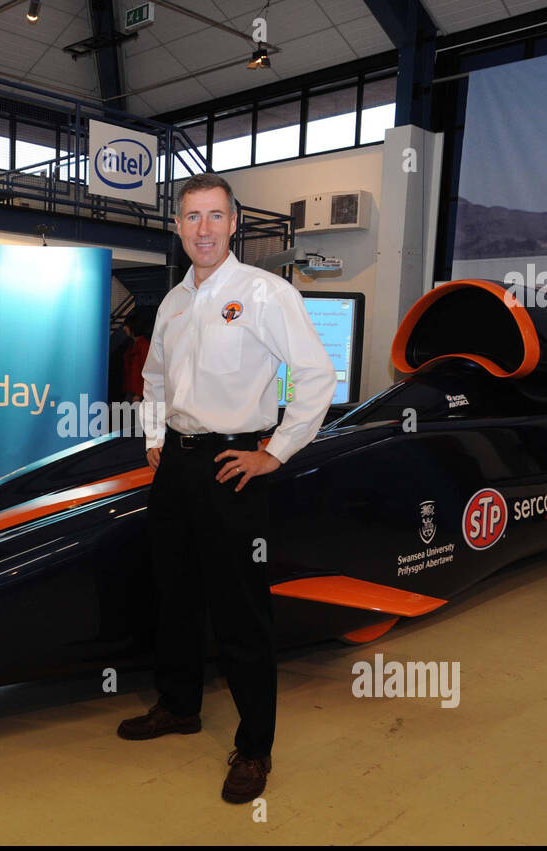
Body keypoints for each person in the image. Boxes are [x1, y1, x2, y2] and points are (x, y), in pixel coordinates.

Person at [117, 172, 336, 804]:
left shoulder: (266, 294)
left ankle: (255, 747)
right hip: (178, 468)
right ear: (179, 226)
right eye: (192, 218)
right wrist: (155, 438)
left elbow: (315, 377)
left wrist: (275, 452)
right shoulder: (175, 301)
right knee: (174, 596)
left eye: (215, 217)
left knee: (241, 611)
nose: (204, 229)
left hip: (232, 466)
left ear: (234, 223)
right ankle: (179, 706)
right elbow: (154, 376)